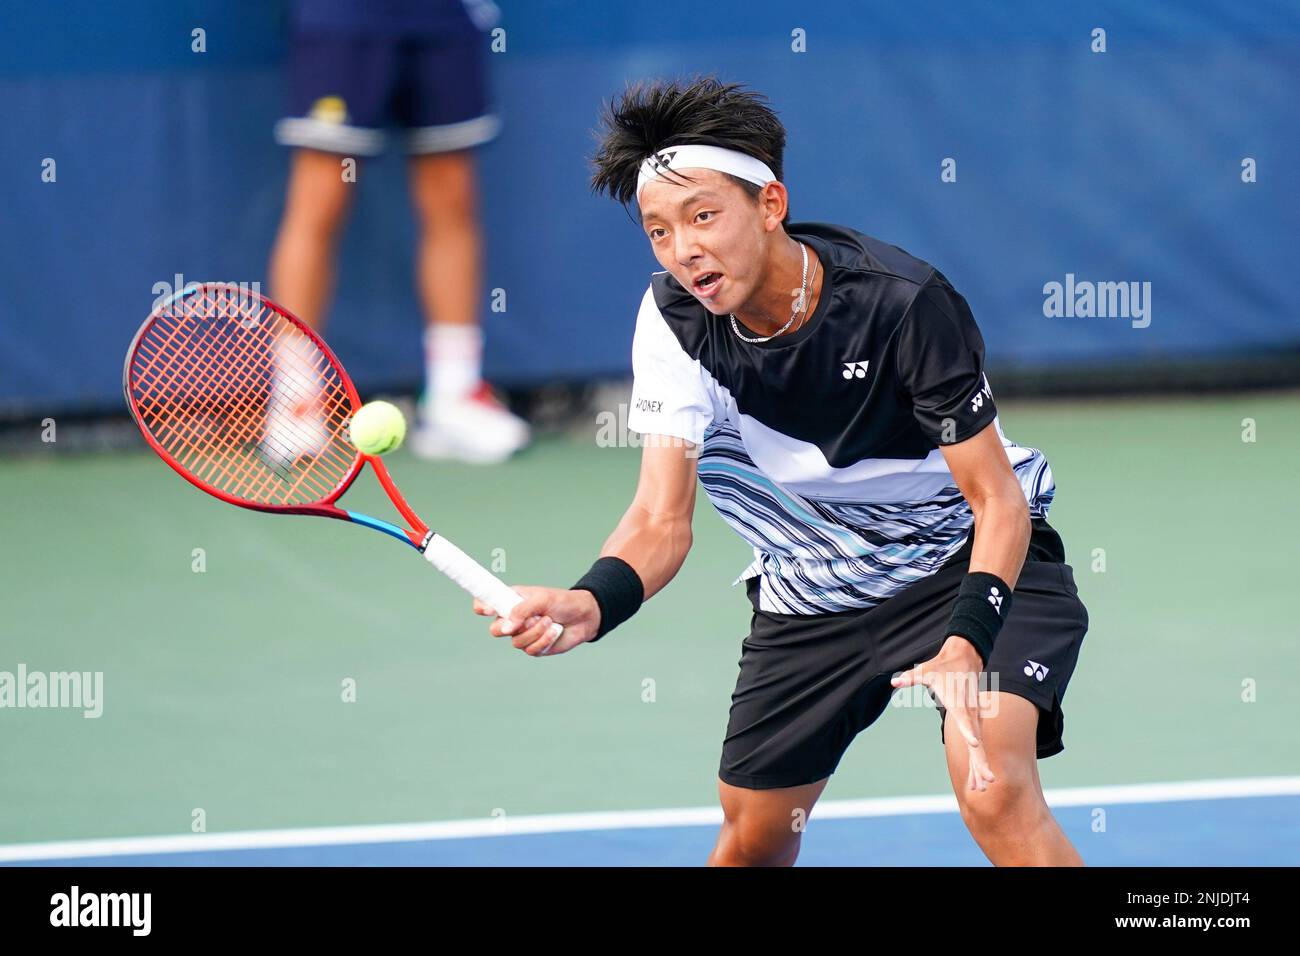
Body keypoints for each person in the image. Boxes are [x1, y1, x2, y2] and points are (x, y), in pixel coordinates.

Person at [472, 77, 1090, 867]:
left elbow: (997, 499)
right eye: (658, 232)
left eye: (703, 216)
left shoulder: (901, 304)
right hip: (813, 590)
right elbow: (662, 520)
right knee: (753, 841)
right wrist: (593, 600)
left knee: (992, 782)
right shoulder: (674, 323)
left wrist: (967, 640)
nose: (683, 249)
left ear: (769, 204)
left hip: (960, 561)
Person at [265, 0, 529, 465]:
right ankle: (296, 400)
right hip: (343, 18)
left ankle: (454, 394)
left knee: (452, 199)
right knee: (319, 200)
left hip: (443, 18)